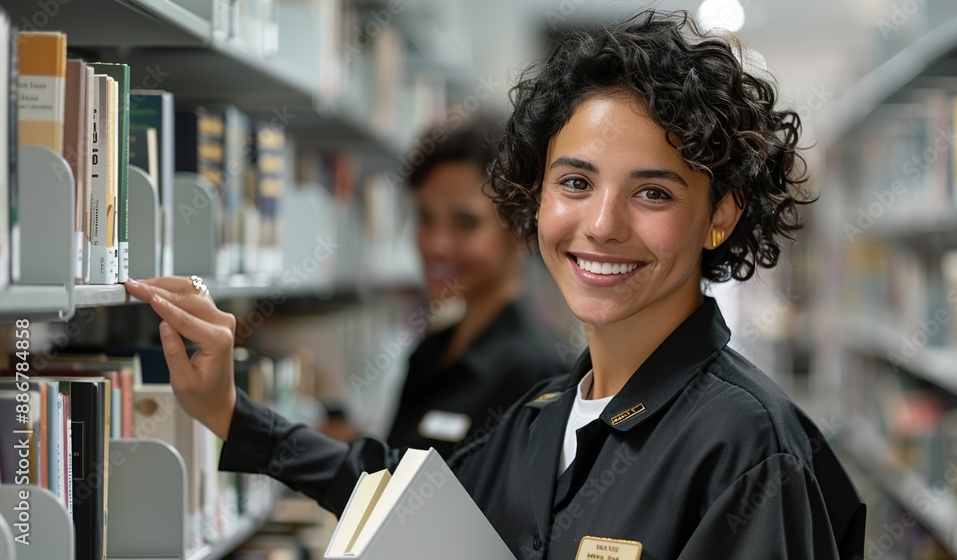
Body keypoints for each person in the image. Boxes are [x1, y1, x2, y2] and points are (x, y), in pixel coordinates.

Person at [125, 10, 865, 559]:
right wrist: (229, 410)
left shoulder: (744, 447)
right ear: (534, 197)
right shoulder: (543, 417)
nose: (601, 225)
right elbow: (400, 503)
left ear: (720, 217)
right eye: (575, 182)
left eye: (653, 193)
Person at [324, 118, 564, 458]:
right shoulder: (431, 351)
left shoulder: (538, 371)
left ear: (522, 229)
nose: (437, 245)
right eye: (426, 218)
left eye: (465, 223)